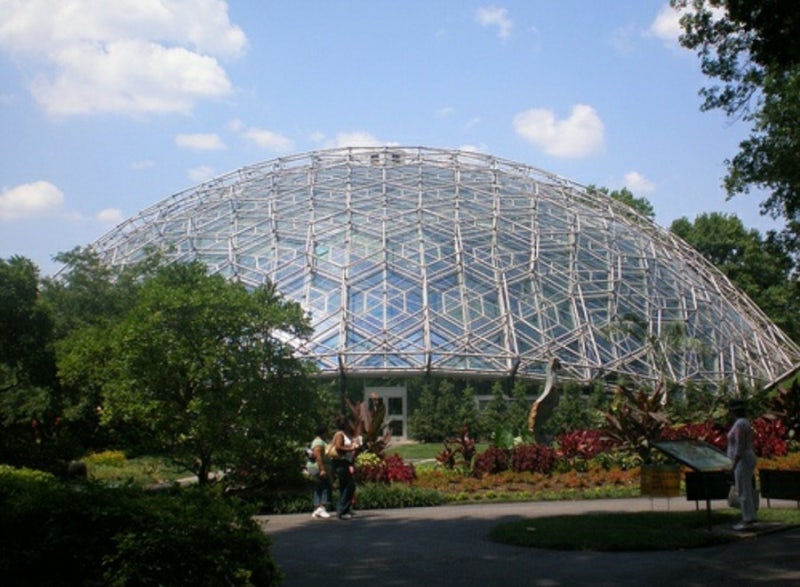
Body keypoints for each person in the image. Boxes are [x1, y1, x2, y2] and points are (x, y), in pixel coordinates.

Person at [727, 398, 757, 531]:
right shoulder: (744, 422)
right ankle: (750, 516)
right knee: (746, 488)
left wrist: (734, 463)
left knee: (742, 490)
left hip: (742, 460)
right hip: (746, 457)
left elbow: (740, 445)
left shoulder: (739, 424)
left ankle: (747, 519)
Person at [330, 414, 360, 520]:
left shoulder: (345, 434)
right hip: (340, 462)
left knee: (344, 486)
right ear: (345, 424)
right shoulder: (340, 434)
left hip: (345, 462)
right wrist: (351, 448)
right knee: (349, 485)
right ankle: (342, 510)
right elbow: (338, 447)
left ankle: (343, 509)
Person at [308, 425, 332, 519]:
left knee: (318, 488)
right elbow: (318, 455)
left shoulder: (319, 441)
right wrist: (322, 469)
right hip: (320, 468)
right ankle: (322, 507)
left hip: (320, 467)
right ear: (323, 432)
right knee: (324, 487)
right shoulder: (318, 442)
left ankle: (317, 509)